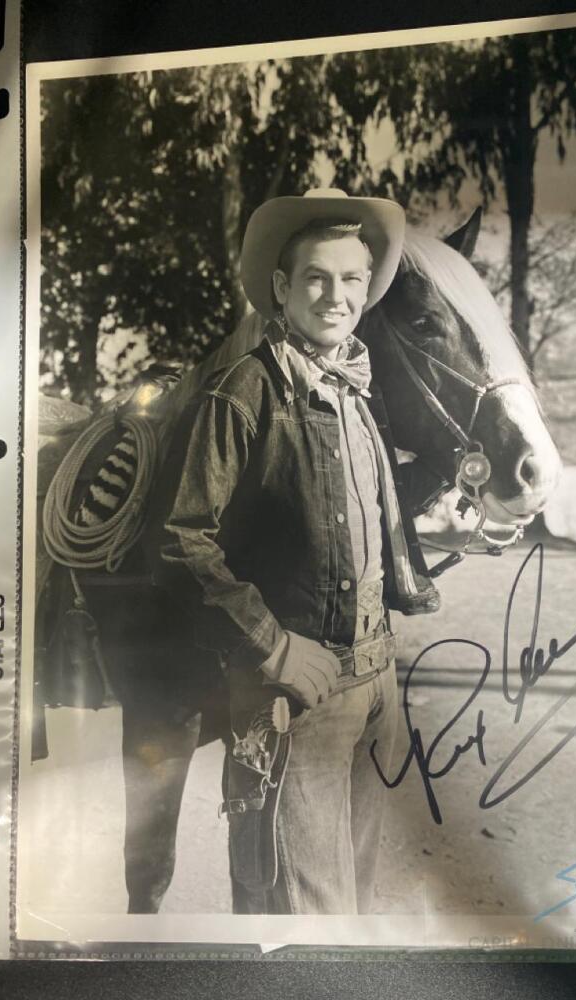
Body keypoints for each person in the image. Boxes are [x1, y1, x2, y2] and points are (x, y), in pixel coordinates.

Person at [151, 188, 446, 915]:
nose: (335, 295)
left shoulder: (358, 389)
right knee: (300, 919)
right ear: (283, 289)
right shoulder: (244, 393)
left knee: (359, 904)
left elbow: (352, 514)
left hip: (377, 686)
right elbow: (183, 538)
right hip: (295, 695)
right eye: (316, 277)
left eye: (352, 279)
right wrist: (275, 649)